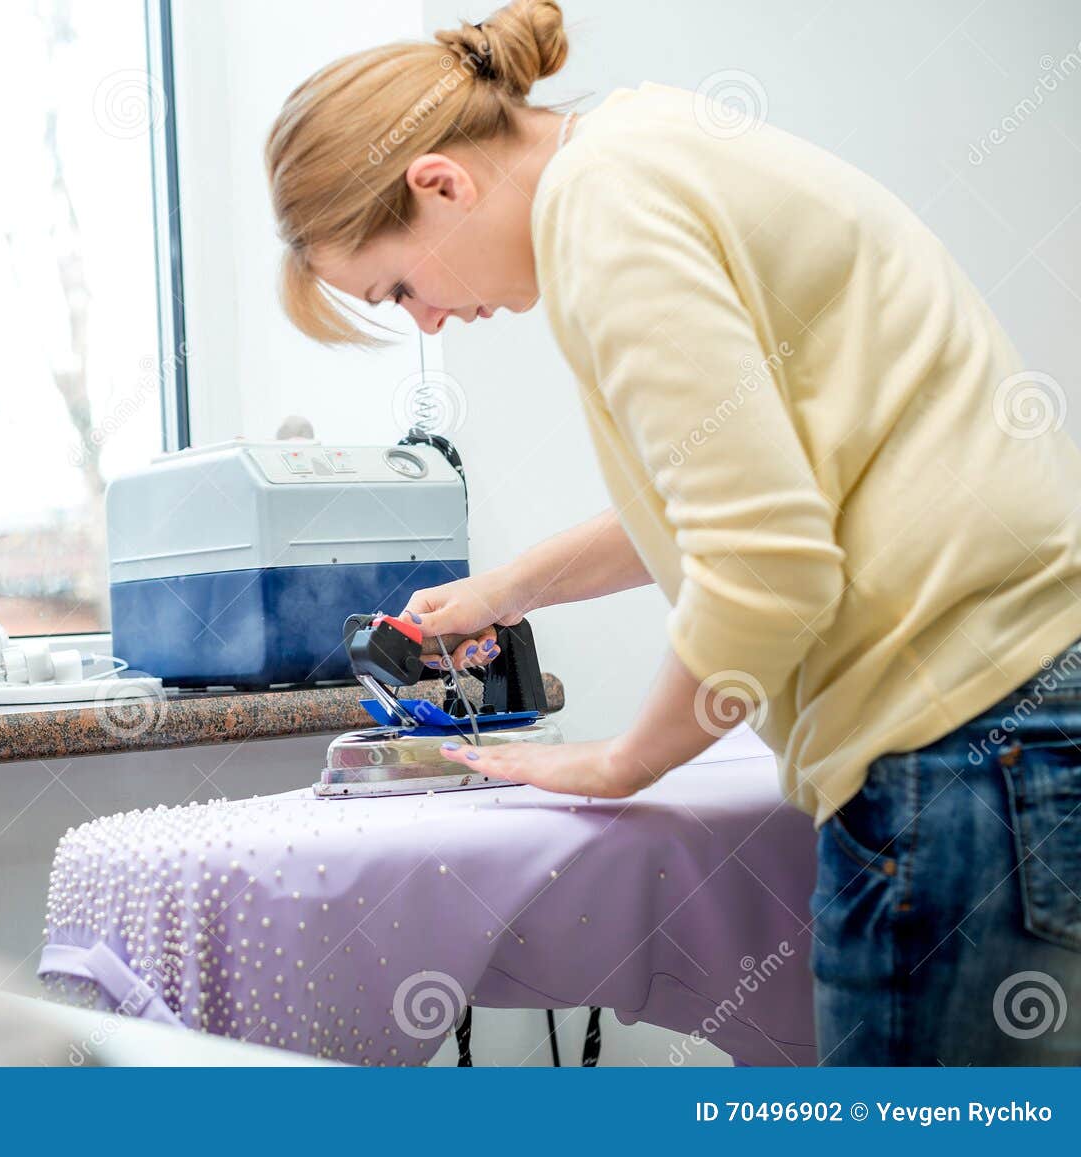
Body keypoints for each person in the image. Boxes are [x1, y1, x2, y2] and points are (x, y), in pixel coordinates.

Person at [265, 0, 1081, 1064]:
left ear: (440, 183)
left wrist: (620, 760)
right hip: (1017, 716)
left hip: (959, 746)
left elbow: (766, 561)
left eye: (400, 287)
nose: (425, 320)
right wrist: (504, 591)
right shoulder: (642, 146)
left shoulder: (603, 214)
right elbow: (741, 488)